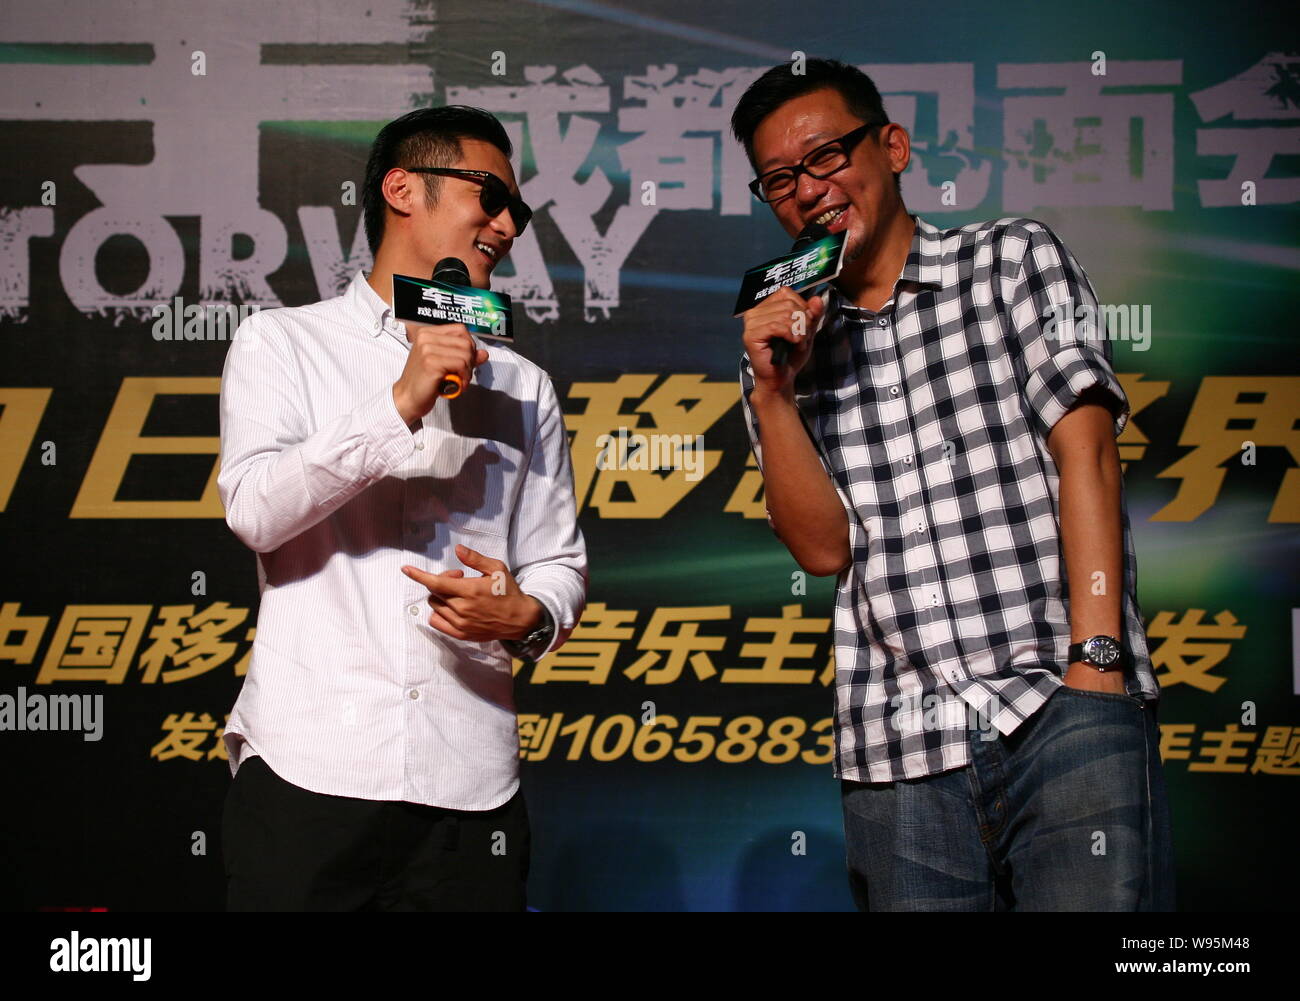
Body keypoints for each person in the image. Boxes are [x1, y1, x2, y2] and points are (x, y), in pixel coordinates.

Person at [730, 59, 1174, 911]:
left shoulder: (1012, 258)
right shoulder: (774, 340)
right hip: (897, 747)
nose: (809, 191)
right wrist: (773, 391)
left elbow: (1089, 452)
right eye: (781, 179)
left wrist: (1096, 665)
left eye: (827, 156)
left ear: (891, 146)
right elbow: (822, 548)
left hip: (1060, 700)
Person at [217, 106, 587, 911]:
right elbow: (253, 509)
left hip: (471, 786)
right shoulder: (282, 343)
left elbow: (559, 562)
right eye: (489, 195)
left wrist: (525, 616)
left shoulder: (521, 383)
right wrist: (399, 403)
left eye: (517, 212)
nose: (506, 225)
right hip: (310, 770)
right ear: (401, 188)